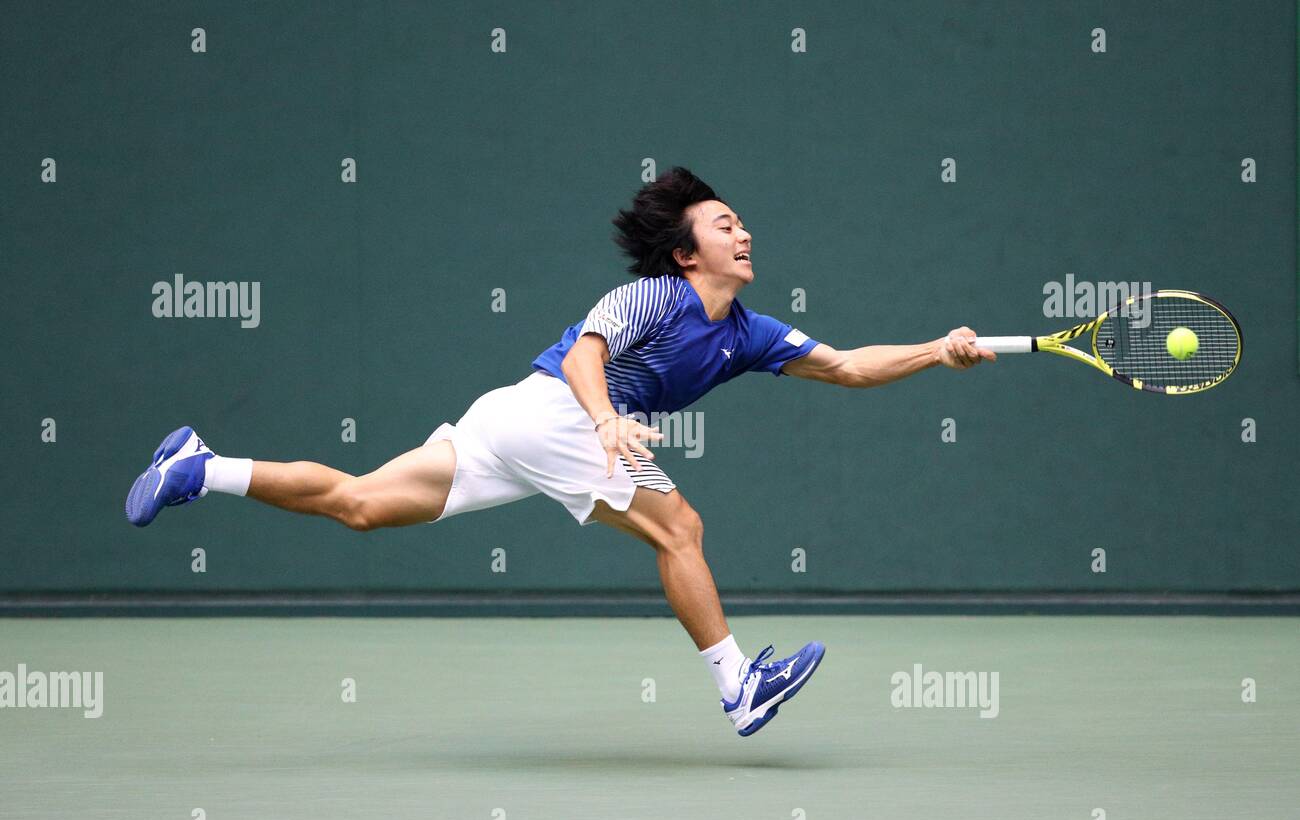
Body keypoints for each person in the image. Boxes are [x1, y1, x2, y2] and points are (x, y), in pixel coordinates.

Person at [125, 167, 994, 737]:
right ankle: (738, 686)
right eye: (727, 226)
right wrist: (607, 420)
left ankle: (202, 465)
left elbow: (843, 366)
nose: (746, 234)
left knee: (359, 504)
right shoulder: (655, 297)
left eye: (743, 224)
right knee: (679, 527)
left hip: (511, 423)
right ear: (689, 252)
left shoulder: (753, 330)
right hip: (554, 413)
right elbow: (587, 352)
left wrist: (934, 350)